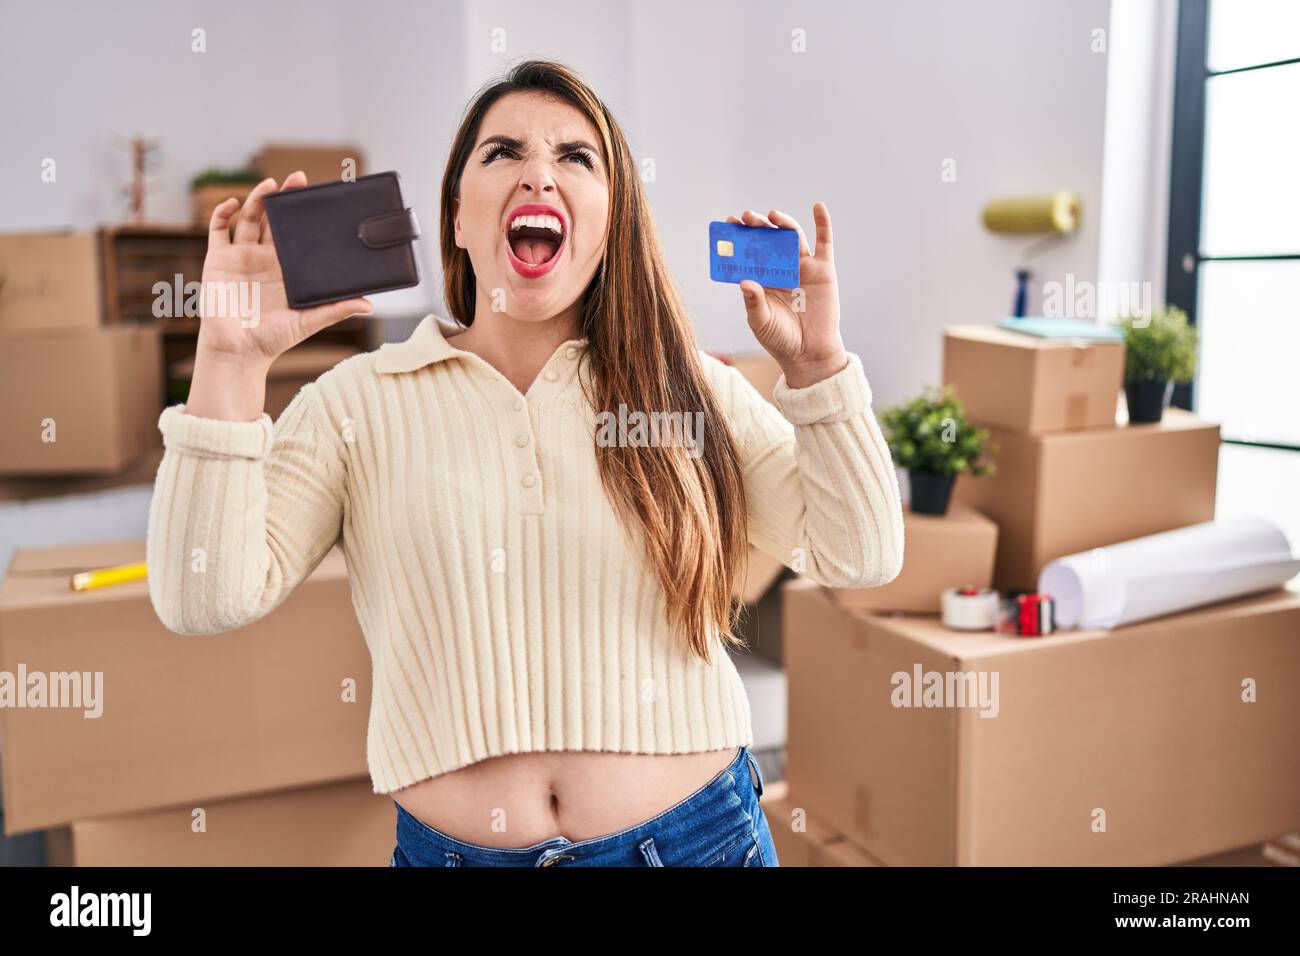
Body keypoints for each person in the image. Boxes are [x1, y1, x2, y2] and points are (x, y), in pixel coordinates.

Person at [145, 59, 904, 867]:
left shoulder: (689, 385)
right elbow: (201, 596)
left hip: (697, 842)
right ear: (458, 217)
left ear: (610, 220)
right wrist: (228, 362)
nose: (538, 174)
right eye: (502, 152)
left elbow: (859, 555)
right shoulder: (355, 402)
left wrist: (819, 369)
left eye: (576, 158)